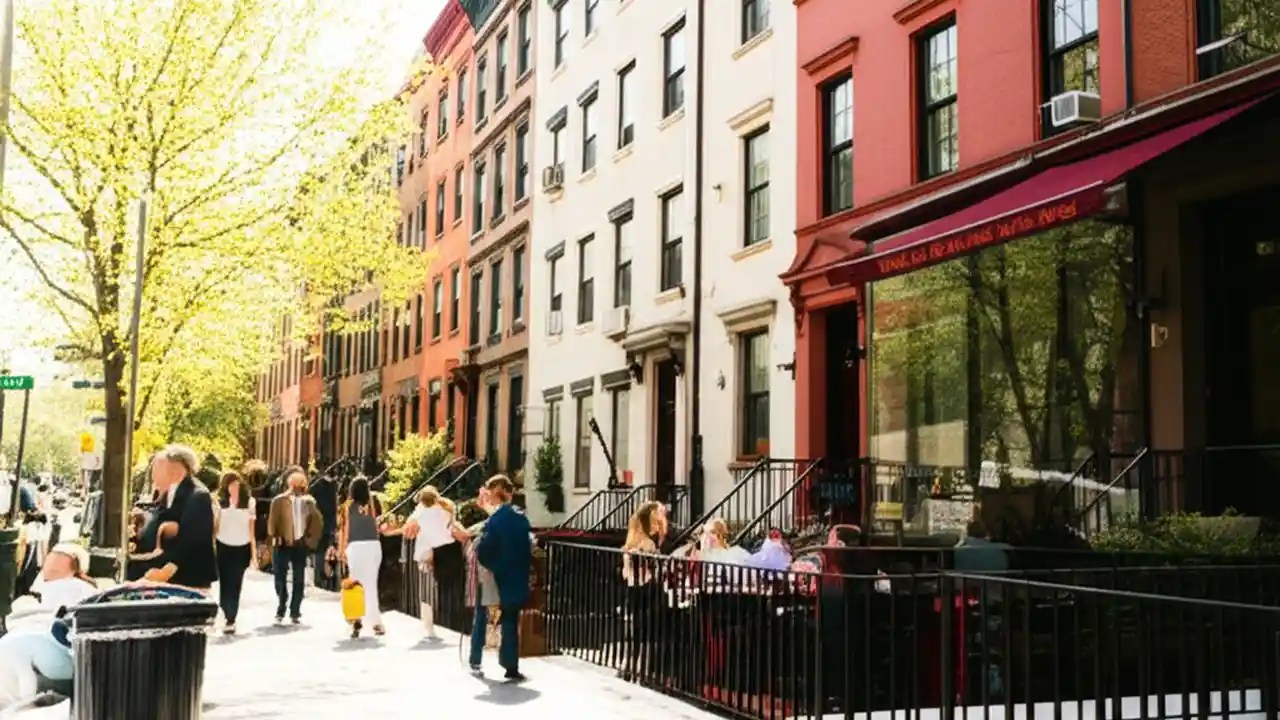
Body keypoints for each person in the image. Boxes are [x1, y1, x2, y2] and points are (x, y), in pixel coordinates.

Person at [473, 475, 532, 682]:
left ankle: (476, 658)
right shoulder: (521, 518)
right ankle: (510, 665)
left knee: (483, 614)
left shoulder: (494, 521)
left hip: (497, 575)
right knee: (511, 620)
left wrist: (492, 566)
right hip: (517, 573)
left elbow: (484, 550)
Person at [136, 445, 218, 590]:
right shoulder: (168, 494)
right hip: (163, 579)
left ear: (174, 468)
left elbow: (193, 542)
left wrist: (163, 573)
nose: (153, 476)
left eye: (156, 469)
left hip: (187, 582)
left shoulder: (198, 496)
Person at [405, 486, 463, 638]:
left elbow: (409, 523)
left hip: (426, 553)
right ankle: (437, 622)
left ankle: (428, 625)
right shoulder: (446, 510)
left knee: (425, 591)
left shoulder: (422, 513)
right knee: (439, 589)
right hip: (444, 550)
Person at [266, 466, 322, 624]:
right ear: (290, 484)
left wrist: (310, 540)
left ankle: (295, 611)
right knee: (280, 578)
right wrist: (274, 538)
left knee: (299, 579)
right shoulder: (279, 501)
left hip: (300, 544)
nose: (298, 486)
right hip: (283, 543)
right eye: (295, 483)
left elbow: (317, 523)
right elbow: (272, 524)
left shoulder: (309, 502)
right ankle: (281, 605)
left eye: (301, 483)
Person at [621, 501, 668, 681]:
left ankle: (629, 666)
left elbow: (626, 573)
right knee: (647, 629)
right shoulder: (647, 543)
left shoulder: (631, 540)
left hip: (632, 587)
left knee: (634, 627)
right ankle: (643, 670)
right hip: (646, 587)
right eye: (657, 514)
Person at [338, 476, 386, 638]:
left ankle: (356, 620)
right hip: (373, 545)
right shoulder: (374, 504)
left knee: (356, 584)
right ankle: (376, 622)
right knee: (371, 584)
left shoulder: (348, 506)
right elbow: (379, 524)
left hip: (356, 546)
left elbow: (345, 529)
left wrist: (342, 550)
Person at [214, 471, 256, 635]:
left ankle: (232, 616)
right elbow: (215, 526)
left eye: (237, 484)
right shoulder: (219, 503)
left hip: (242, 545)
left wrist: (253, 554)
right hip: (223, 544)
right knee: (225, 582)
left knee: (236, 582)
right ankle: (225, 612)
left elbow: (251, 530)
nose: (234, 487)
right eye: (231, 484)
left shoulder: (250, 503)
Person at [29, 544, 96, 613]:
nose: (51, 564)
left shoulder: (80, 587)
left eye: (58, 560)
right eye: (50, 559)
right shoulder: (41, 584)